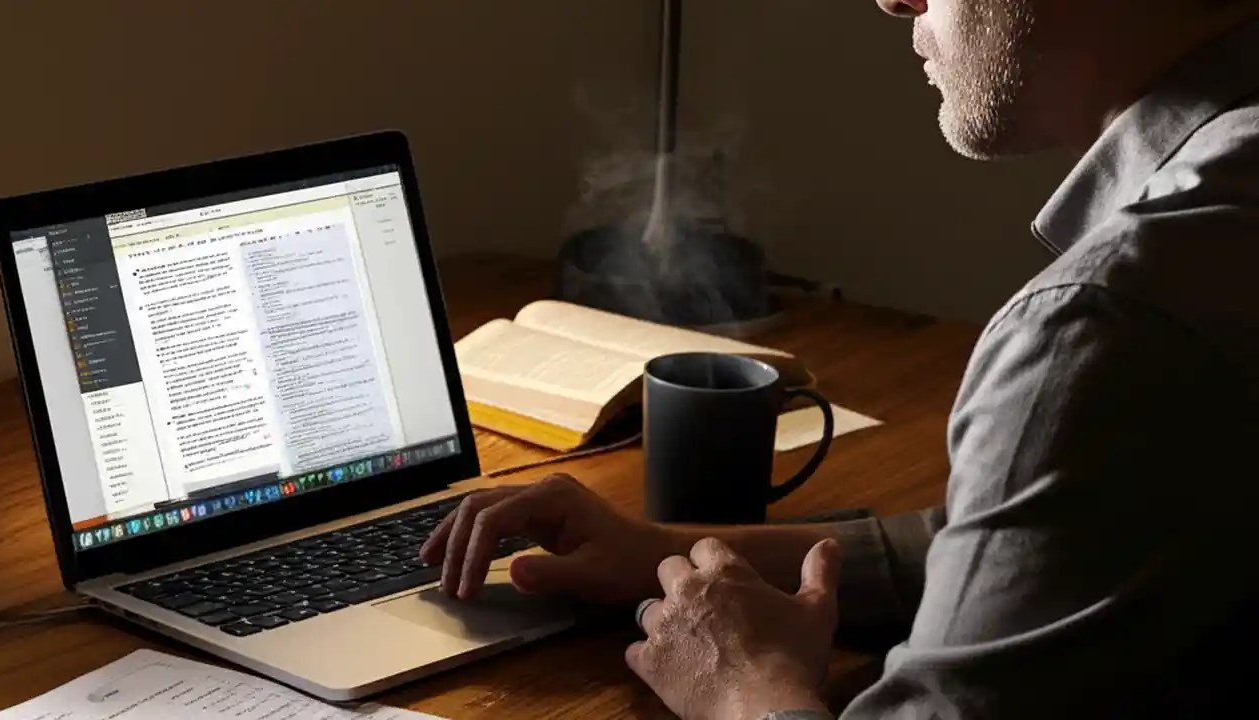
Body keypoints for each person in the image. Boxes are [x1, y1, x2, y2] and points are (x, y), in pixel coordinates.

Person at [423, 0, 1259, 717]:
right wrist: (661, 550)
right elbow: (1042, 551)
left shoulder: (1102, 324)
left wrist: (746, 685)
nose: (894, 0)